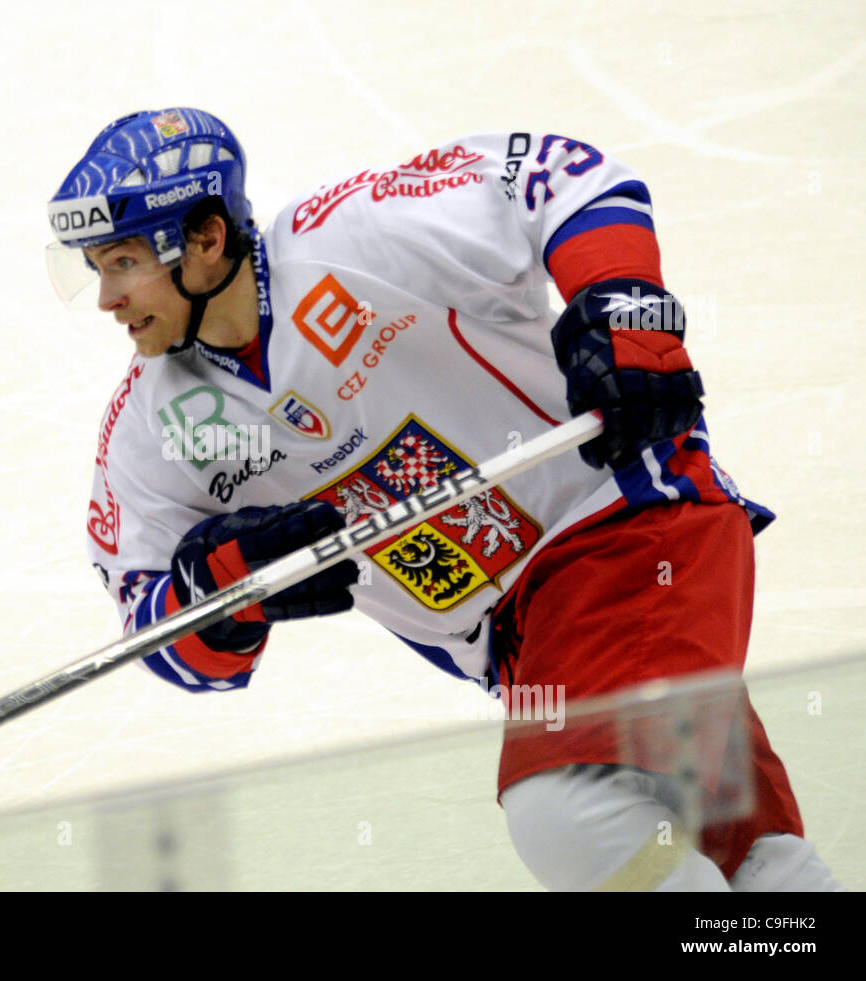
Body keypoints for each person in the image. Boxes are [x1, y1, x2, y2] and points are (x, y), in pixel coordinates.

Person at [46, 108, 841, 891]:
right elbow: (151, 614)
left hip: (622, 518)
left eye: (121, 262)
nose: (106, 297)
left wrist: (624, 309)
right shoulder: (153, 427)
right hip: (529, 643)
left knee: (567, 813)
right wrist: (218, 591)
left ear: (208, 237)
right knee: (757, 866)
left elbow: (559, 175)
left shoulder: (347, 237)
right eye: (94, 268)